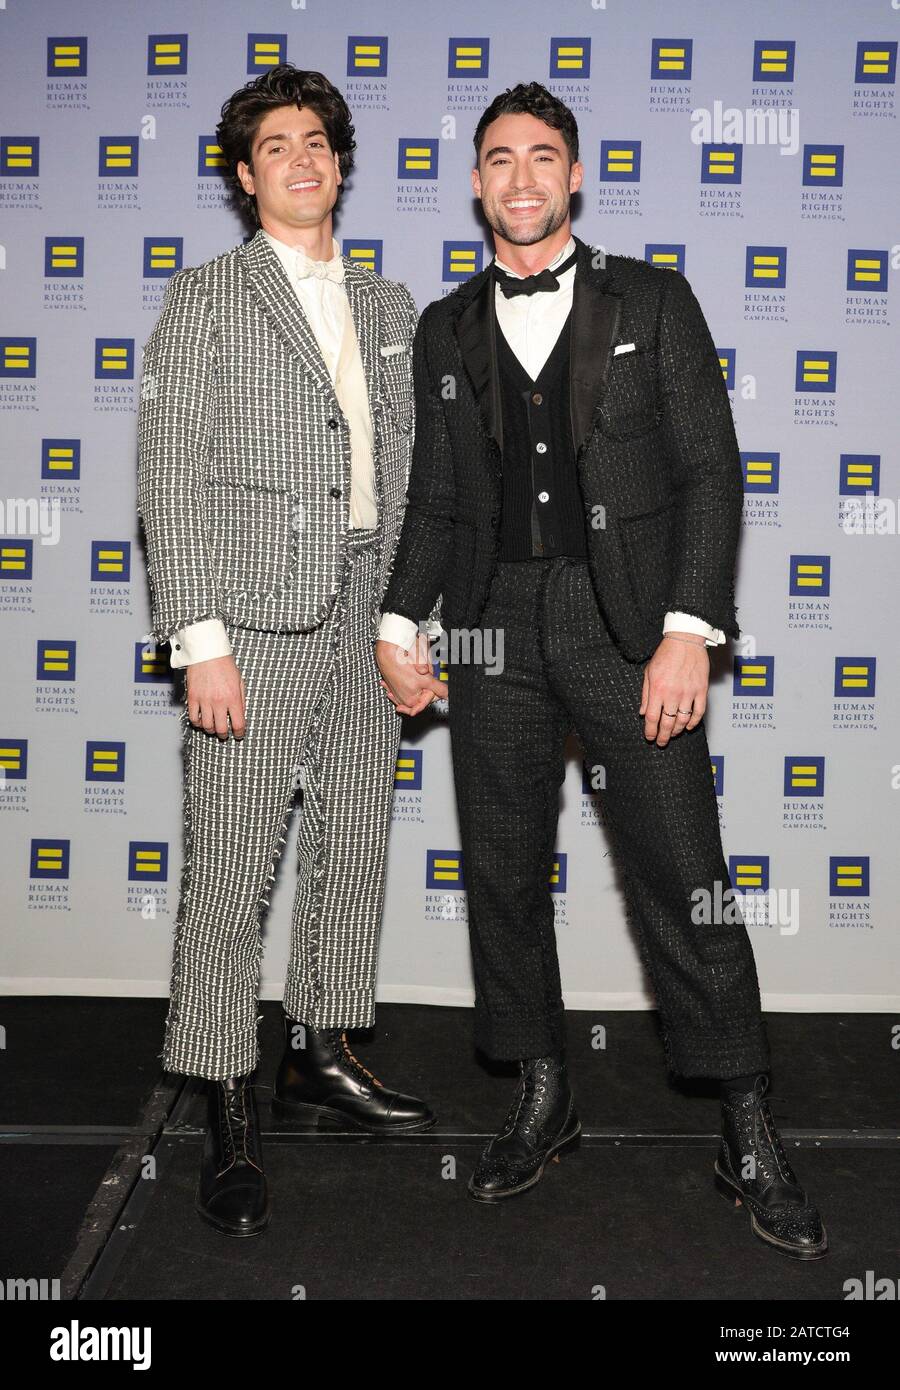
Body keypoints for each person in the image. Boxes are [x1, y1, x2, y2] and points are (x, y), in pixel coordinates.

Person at [375, 82, 826, 1260]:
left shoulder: (656, 301)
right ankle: (544, 1087)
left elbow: (711, 474)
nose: (521, 179)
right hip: (490, 626)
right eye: (499, 160)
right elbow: (431, 497)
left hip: (625, 621)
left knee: (686, 876)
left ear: (575, 176)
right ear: (475, 184)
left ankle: (744, 1120)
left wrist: (689, 628)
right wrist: (395, 617)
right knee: (506, 874)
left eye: (542, 158)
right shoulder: (444, 326)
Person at [137, 64, 435, 1239]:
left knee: (354, 847)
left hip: (370, 613)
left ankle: (320, 1049)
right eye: (277, 145)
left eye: (318, 140)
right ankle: (225, 1095)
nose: (301, 159)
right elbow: (171, 475)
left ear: (341, 161)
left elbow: (423, 484)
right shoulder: (206, 297)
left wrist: (408, 625)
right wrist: (200, 641)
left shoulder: (395, 304)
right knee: (230, 875)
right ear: (244, 173)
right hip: (251, 626)